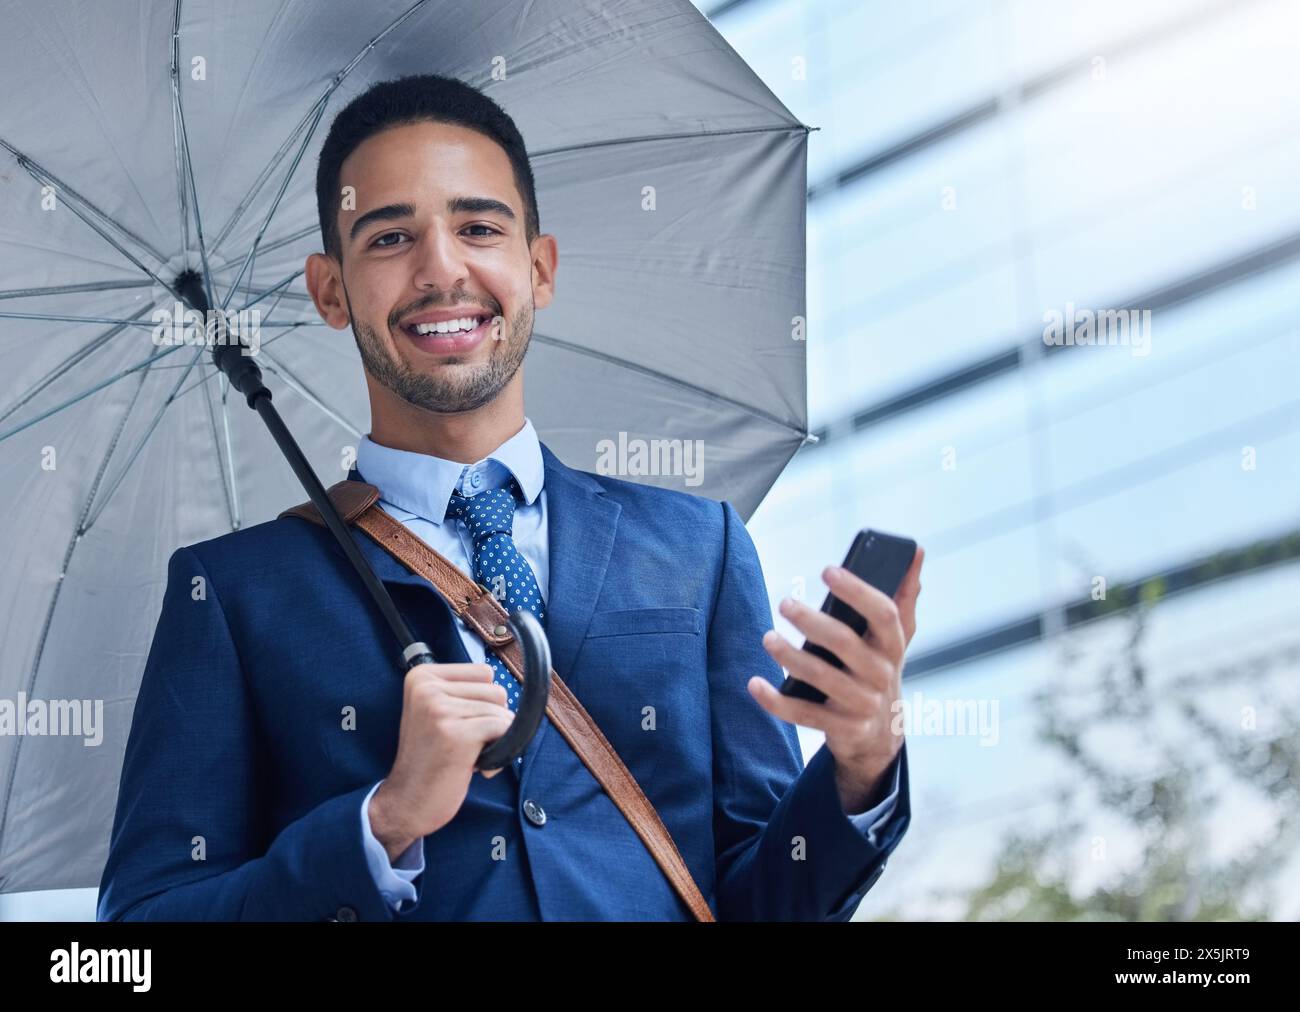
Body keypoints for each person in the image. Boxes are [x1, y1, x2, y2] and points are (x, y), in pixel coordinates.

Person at [96, 74, 924, 921]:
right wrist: (380, 825)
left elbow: (765, 900)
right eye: (388, 239)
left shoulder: (697, 548)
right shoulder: (231, 594)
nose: (441, 269)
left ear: (539, 268)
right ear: (330, 291)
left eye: (479, 228)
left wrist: (860, 768)